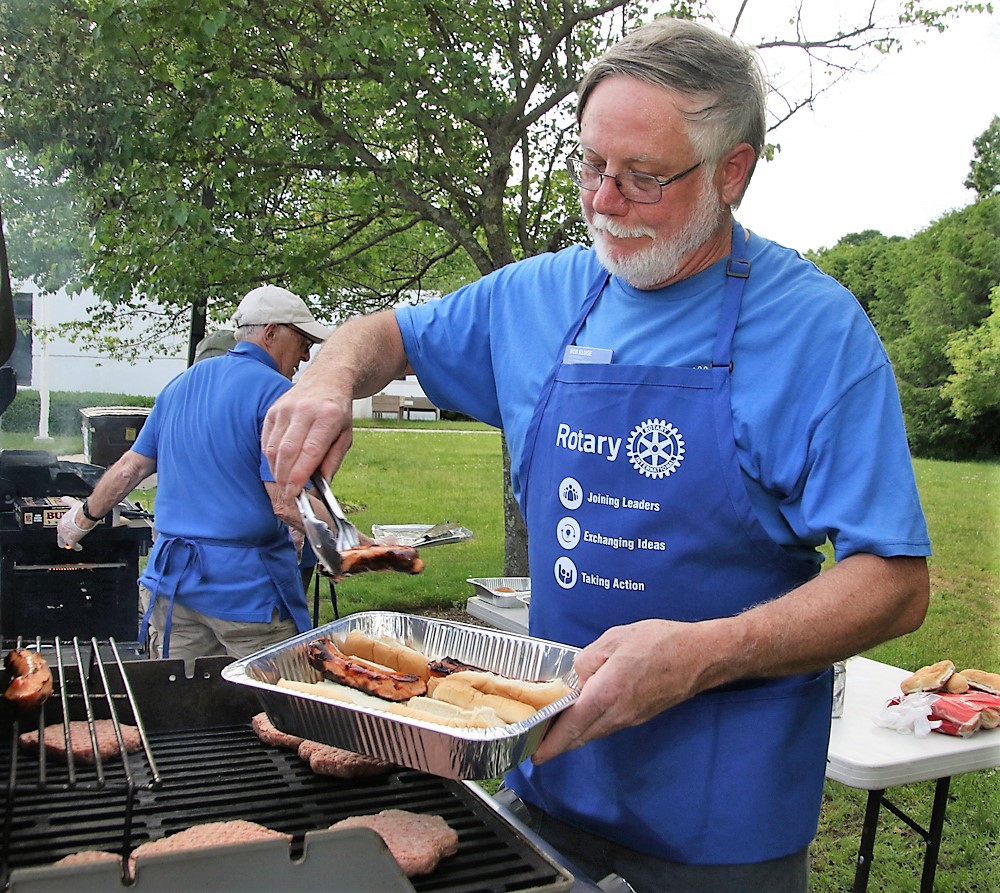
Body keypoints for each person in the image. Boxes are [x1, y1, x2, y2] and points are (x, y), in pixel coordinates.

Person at [259, 18, 931, 893]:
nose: (604, 201)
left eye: (643, 177)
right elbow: (386, 334)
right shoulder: (539, 293)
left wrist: (704, 653)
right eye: (590, 165)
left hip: (724, 816)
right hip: (551, 775)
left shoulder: (817, 331)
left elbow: (894, 579)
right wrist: (330, 374)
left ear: (733, 172)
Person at [57, 285, 331, 669]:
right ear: (270, 333)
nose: (306, 354)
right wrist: (344, 539)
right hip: (247, 597)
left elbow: (130, 468)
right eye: (302, 340)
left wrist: (79, 520)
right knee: (278, 709)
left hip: (173, 589)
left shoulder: (178, 386)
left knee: (184, 712)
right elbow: (285, 502)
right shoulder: (277, 393)